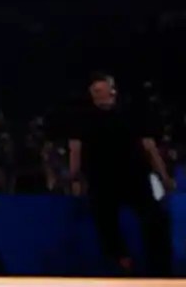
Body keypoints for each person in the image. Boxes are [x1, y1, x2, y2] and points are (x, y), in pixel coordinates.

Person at [68, 73, 173, 276]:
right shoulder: (83, 117)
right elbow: (75, 149)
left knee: (155, 218)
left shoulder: (131, 114)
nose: (96, 95)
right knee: (105, 223)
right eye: (93, 92)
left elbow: (149, 146)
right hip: (101, 180)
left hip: (135, 177)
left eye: (99, 90)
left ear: (111, 90)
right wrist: (74, 176)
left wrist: (164, 175)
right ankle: (121, 261)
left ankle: (160, 268)